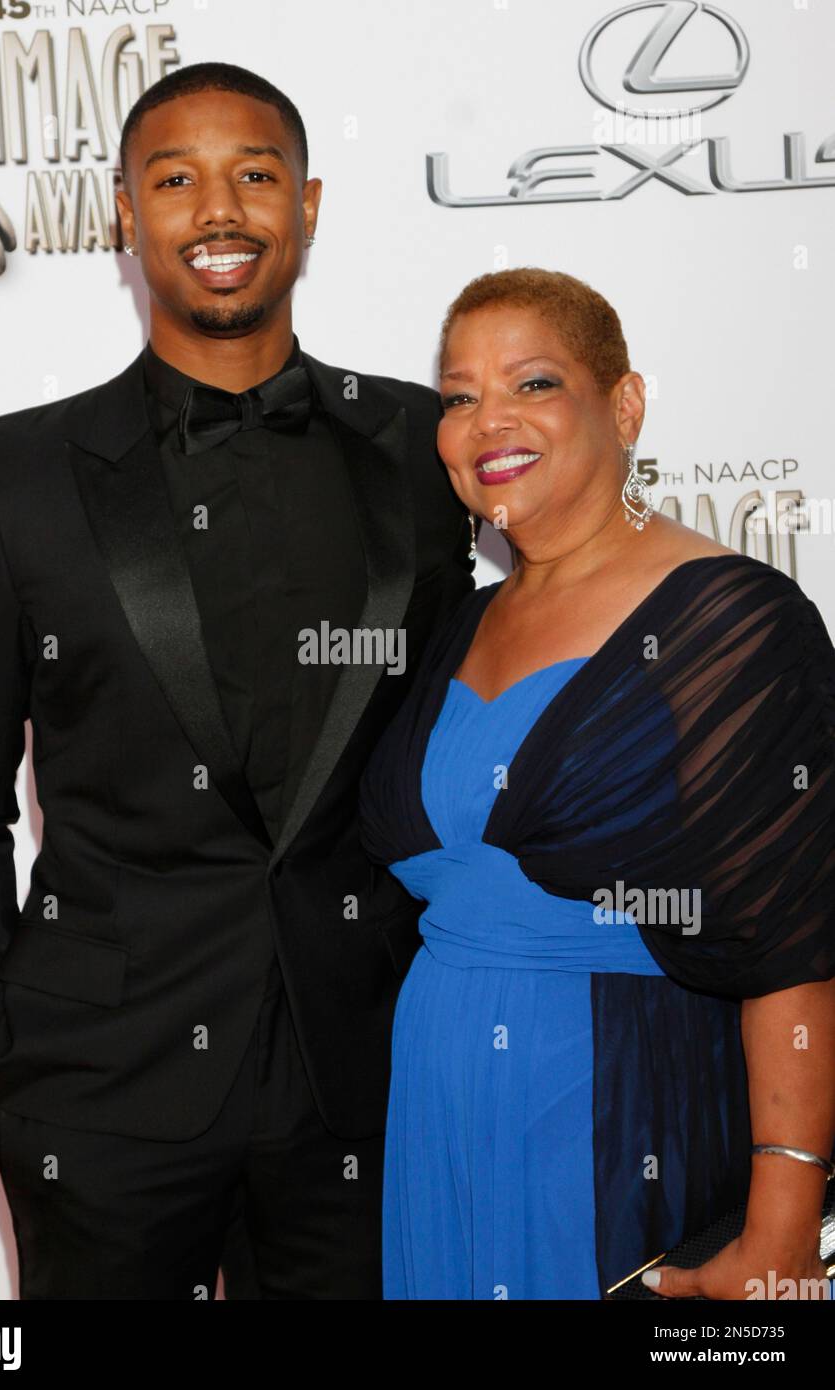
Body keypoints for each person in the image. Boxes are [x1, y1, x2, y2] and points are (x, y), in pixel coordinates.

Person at [0, 62, 474, 1300]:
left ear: (307, 206)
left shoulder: (421, 455)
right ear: (122, 213)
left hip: (360, 1081)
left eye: (253, 176)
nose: (219, 211)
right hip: (98, 1085)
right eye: (175, 180)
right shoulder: (9, 475)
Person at [359, 267, 835, 1300]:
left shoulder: (729, 620)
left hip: (623, 1104)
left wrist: (783, 1218)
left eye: (531, 383)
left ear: (622, 404)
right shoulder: (459, 621)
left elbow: (790, 942)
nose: (487, 420)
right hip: (438, 1113)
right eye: (455, 395)